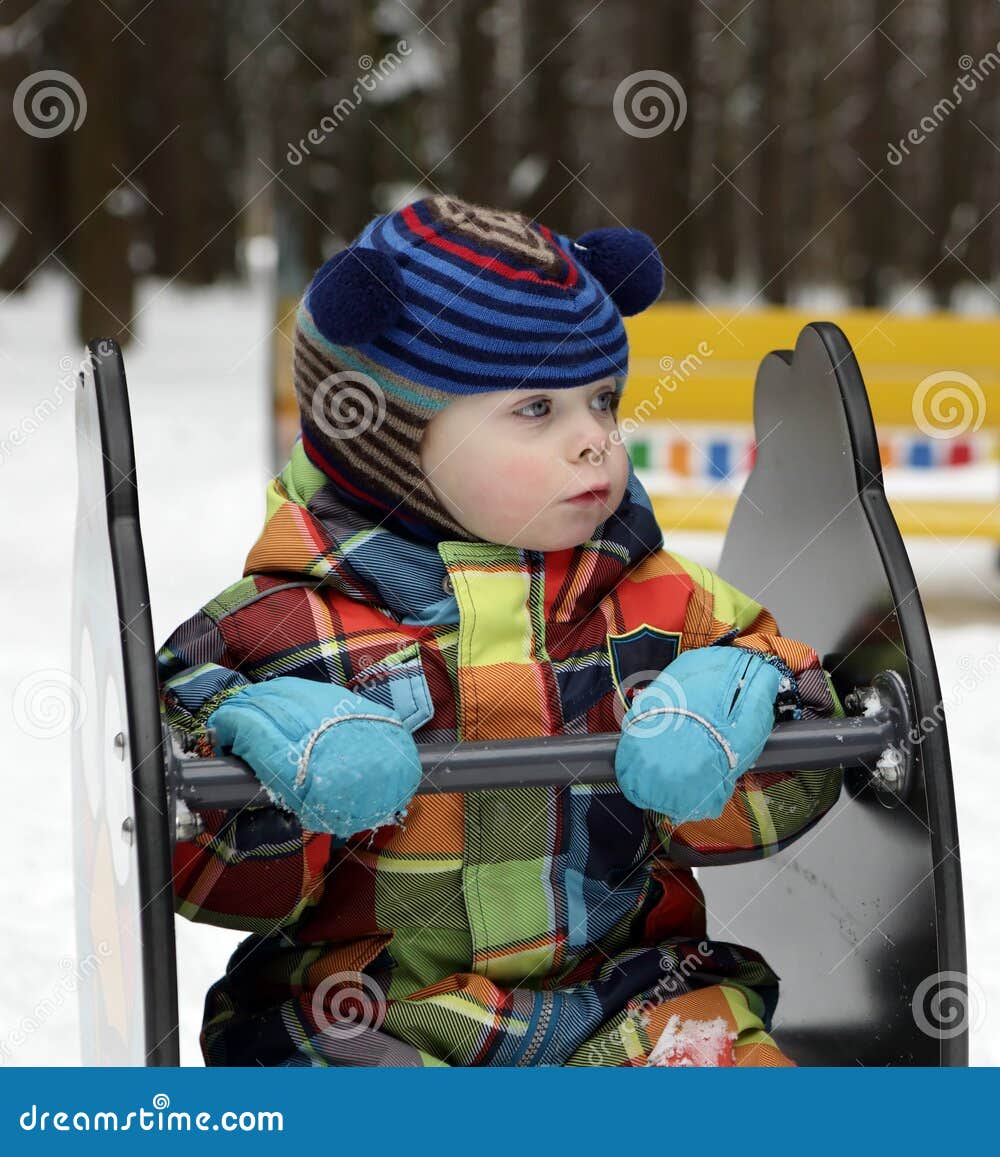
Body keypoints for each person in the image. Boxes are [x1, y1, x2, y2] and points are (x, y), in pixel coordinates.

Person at [156, 194, 844, 1067]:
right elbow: (181, 838)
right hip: (368, 1020)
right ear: (388, 435)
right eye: (536, 410)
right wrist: (252, 749)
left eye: (602, 400)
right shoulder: (280, 624)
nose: (593, 439)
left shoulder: (665, 603)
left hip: (633, 999)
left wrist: (746, 701)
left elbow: (811, 729)